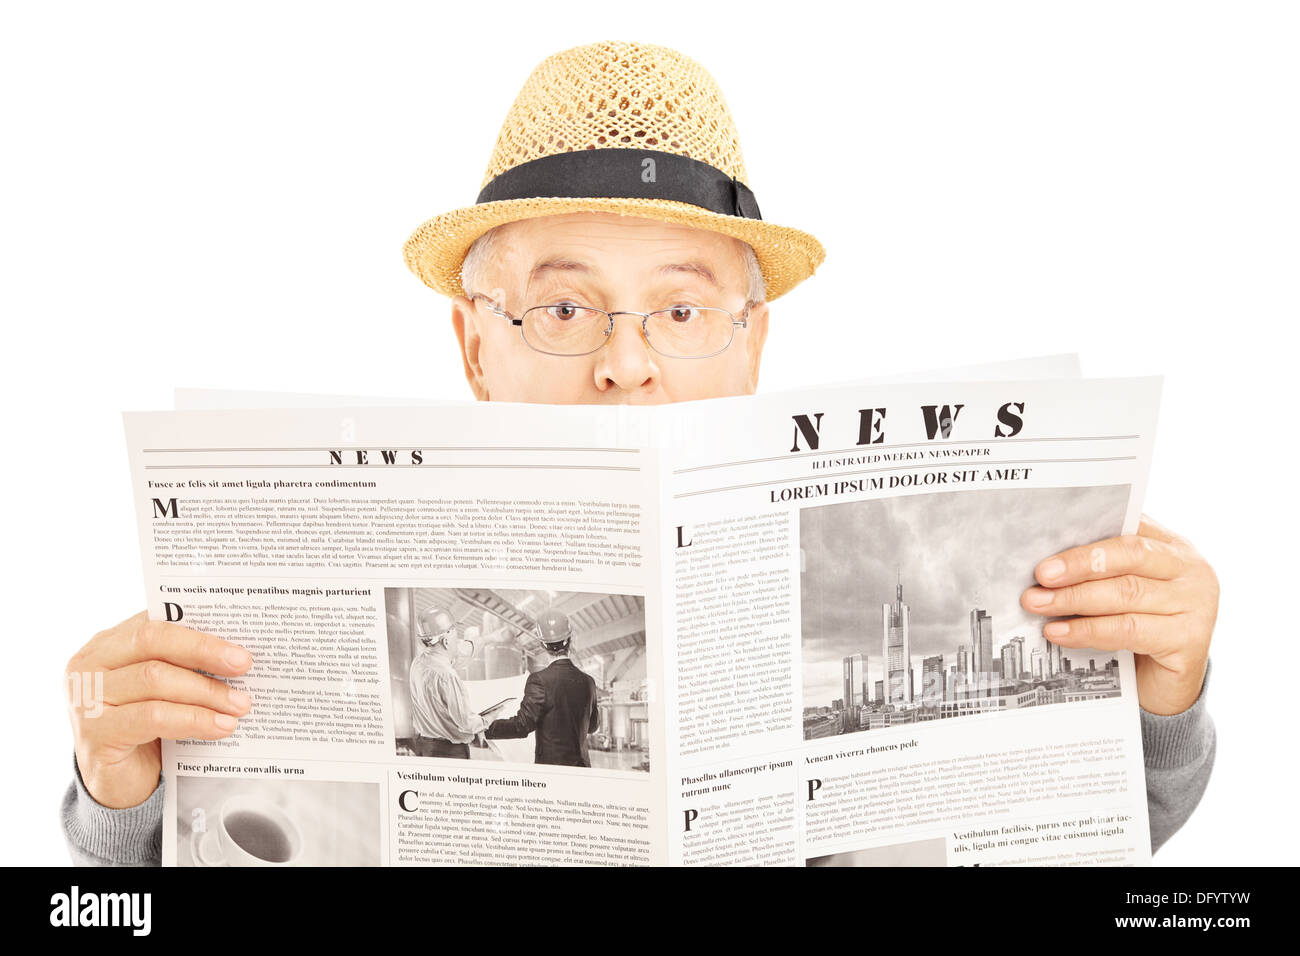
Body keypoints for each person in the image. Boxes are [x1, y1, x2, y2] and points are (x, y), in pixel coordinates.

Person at [61, 40, 1217, 866]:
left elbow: (1105, 846)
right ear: (474, 345)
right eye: (565, 310)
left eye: (680, 309)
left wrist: (1158, 697)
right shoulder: (253, 592)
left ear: (751, 341)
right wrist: (124, 793)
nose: (626, 365)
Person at [485, 611, 600, 767]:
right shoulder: (589, 682)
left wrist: (486, 727)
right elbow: (593, 726)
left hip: (551, 769)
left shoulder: (539, 680)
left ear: (542, 644)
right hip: (582, 767)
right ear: (570, 639)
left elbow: (522, 725)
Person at [406, 607, 486, 759]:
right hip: (448, 752)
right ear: (446, 641)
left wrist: (484, 640)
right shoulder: (447, 676)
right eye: (457, 636)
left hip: (424, 747)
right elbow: (466, 724)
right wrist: (488, 719)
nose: (459, 641)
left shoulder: (417, 663)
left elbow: (461, 654)